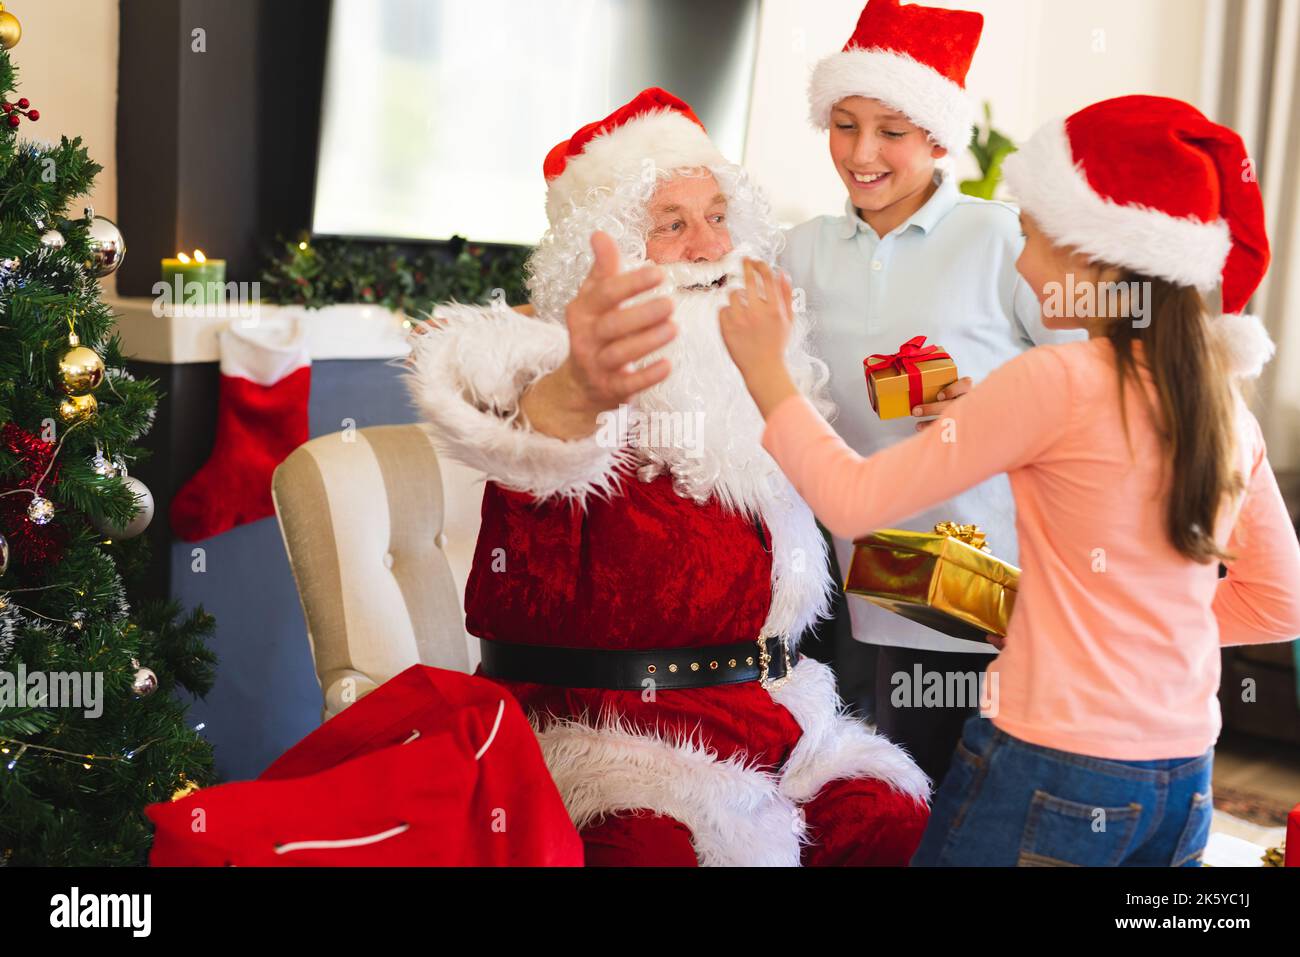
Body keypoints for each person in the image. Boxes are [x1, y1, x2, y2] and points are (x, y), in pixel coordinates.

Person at [719, 95, 1300, 866]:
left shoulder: (1054, 380)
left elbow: (853, 501)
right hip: (1185, 774)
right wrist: (1107, 623)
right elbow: (1277, 598)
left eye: (1029, 236)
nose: (1020, 260)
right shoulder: (1220, 397)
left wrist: (768, 377)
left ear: (1090, 251)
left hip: (1050, 763)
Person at [405, 88, 929, 866]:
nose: (707, 246)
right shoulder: (559, 378)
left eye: (718, 216)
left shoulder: (753, 381)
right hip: (615, 737)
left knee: (885, 807)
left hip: (775, 715)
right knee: (651, 847)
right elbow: (539, 462)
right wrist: (575, 390)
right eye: (671, 224)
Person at [781, 0, 1084, 784]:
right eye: (844, 125)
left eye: (891, 131)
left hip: (962, 572)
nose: (861, 152)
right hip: (836, 570)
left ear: (938, 137)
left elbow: (1093, 390)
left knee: (947, 788)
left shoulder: (1003, 238)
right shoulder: (800, 249)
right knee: (854, 792)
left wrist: (997, 402)